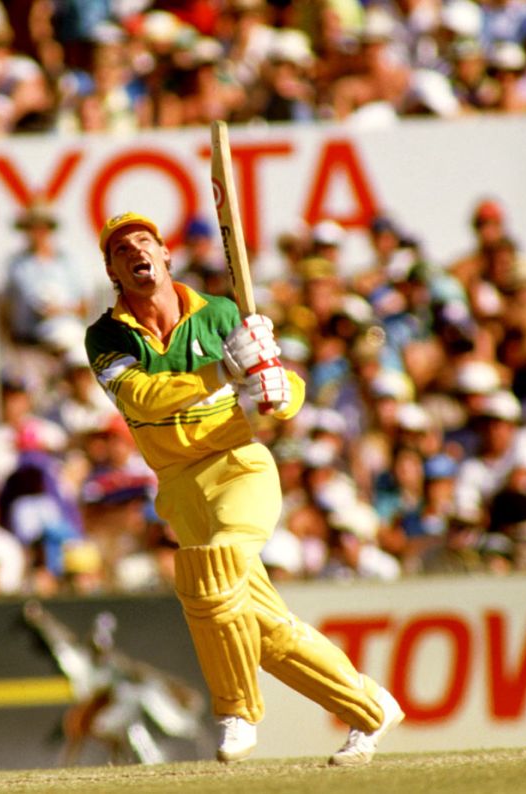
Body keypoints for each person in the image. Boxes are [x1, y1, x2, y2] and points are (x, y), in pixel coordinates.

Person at [84, 211, 402, 765]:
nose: (135, 252)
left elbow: (283, 384)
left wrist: (280, 389)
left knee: (213, 572)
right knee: (264, 627)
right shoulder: (105, 337)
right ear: (113, 270)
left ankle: (236, 712)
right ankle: (371, 707)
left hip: (237, 467)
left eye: (144, 242)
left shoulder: (221, 314)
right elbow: (139, 399)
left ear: (165, 256)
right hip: (178, 485)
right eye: (120, 249)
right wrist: (222, 373)